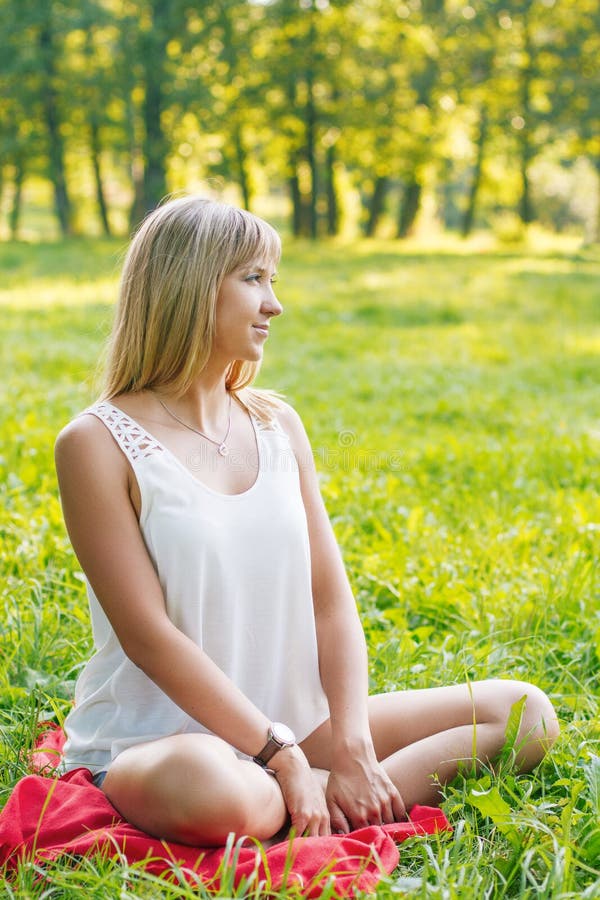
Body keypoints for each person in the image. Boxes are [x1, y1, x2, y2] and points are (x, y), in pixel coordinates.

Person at [55, 195, 559, 847]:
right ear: (191, 287)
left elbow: (329, 599)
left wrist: (350, 746)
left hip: (297, 721)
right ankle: (305, 794)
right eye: (253, 279)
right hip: (165, 743)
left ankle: (324, 796)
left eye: (273, 280)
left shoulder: (275, 424)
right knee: (213, 788)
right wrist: (282, 755)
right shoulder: (96, 442)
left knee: (524, 712)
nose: (274, 304)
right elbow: (148, 635)